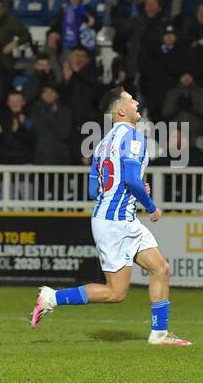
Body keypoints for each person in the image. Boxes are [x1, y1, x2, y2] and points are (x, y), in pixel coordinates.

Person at [31, 88, 191, 346]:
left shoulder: (102, 144)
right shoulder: (133, 137)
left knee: (160, 269)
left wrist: (130, 188)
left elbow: (94, 190)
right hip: (115, 223)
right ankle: (52, 297)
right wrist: (150, 206)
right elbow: (128, 179)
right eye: (130, 99)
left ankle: (159, 334)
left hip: (118, 217)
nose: (136, 102)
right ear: (120, 110)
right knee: (116, 293)